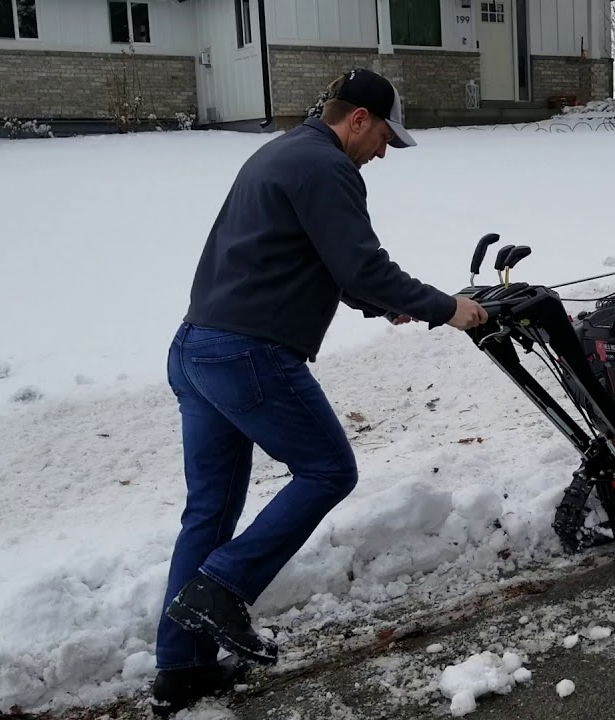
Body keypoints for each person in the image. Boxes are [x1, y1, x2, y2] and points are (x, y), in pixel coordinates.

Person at [149, 68, 488, 716]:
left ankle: (180, 667)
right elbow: (362, 263)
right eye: (386, 136)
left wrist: (387, 306)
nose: (384, 152)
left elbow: (334, 268)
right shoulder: (329, 167)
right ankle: (222, 587)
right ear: (357, 118)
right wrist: (449, 308)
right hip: (250, 354)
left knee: (211, 511)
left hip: (197, 350)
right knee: (329, 469)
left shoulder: (281, 153)